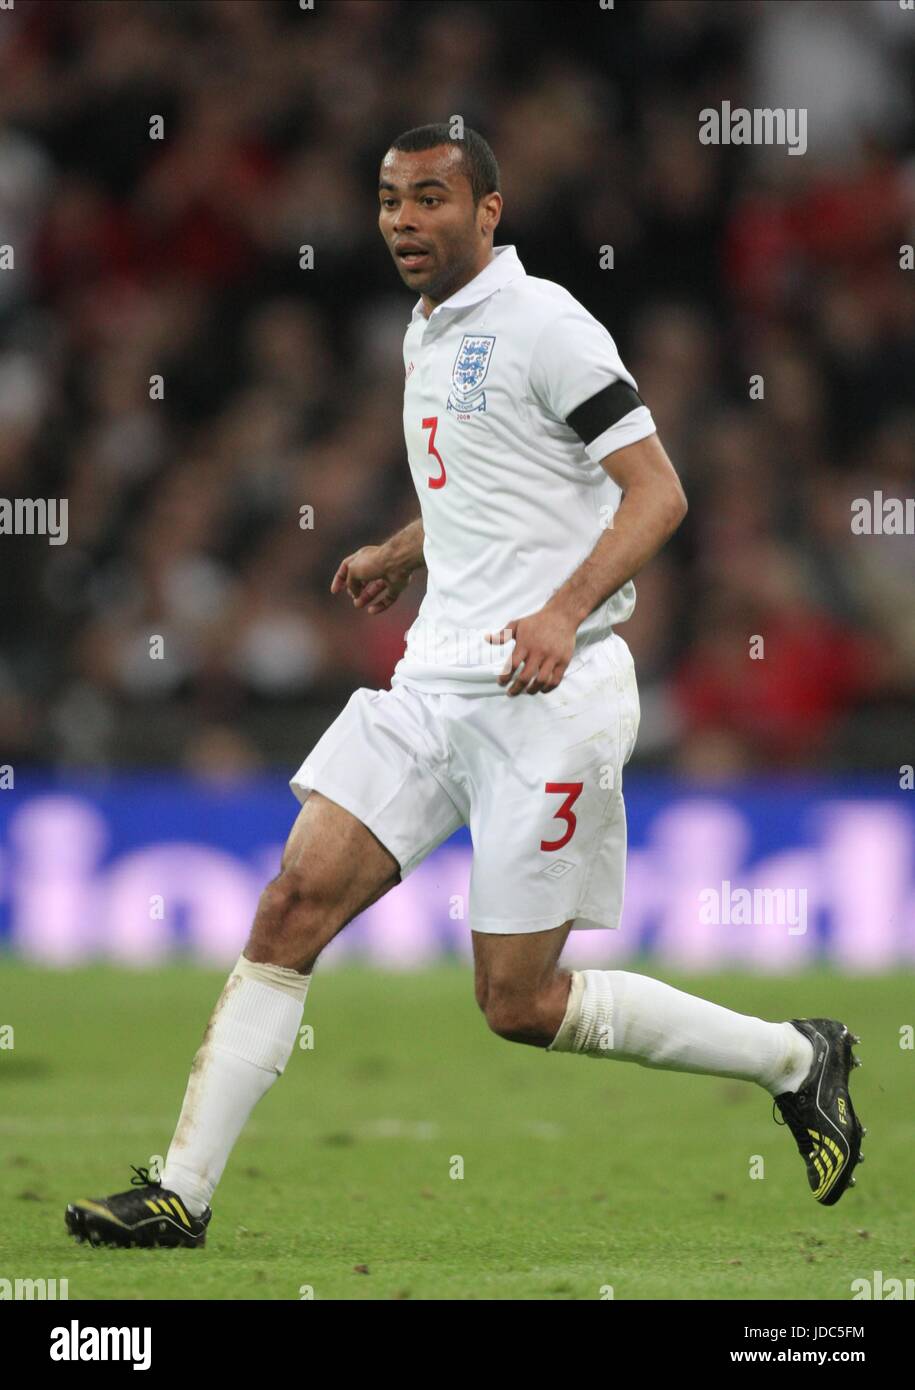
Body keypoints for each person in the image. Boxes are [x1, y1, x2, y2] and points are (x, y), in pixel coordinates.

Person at [66, 125, 864, 1249]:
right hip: (434, 682)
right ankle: (180, 1193)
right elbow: (495, 489)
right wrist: (407, 546)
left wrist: (561, 608)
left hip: (553, 694)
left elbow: (657, 493)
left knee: (518, 1005)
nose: (403, 220)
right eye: (389, 198)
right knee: (291, 907)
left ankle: (795, 1055)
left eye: (430, 198)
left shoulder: (550, 327)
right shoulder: (427, 331)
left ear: (489, 210)